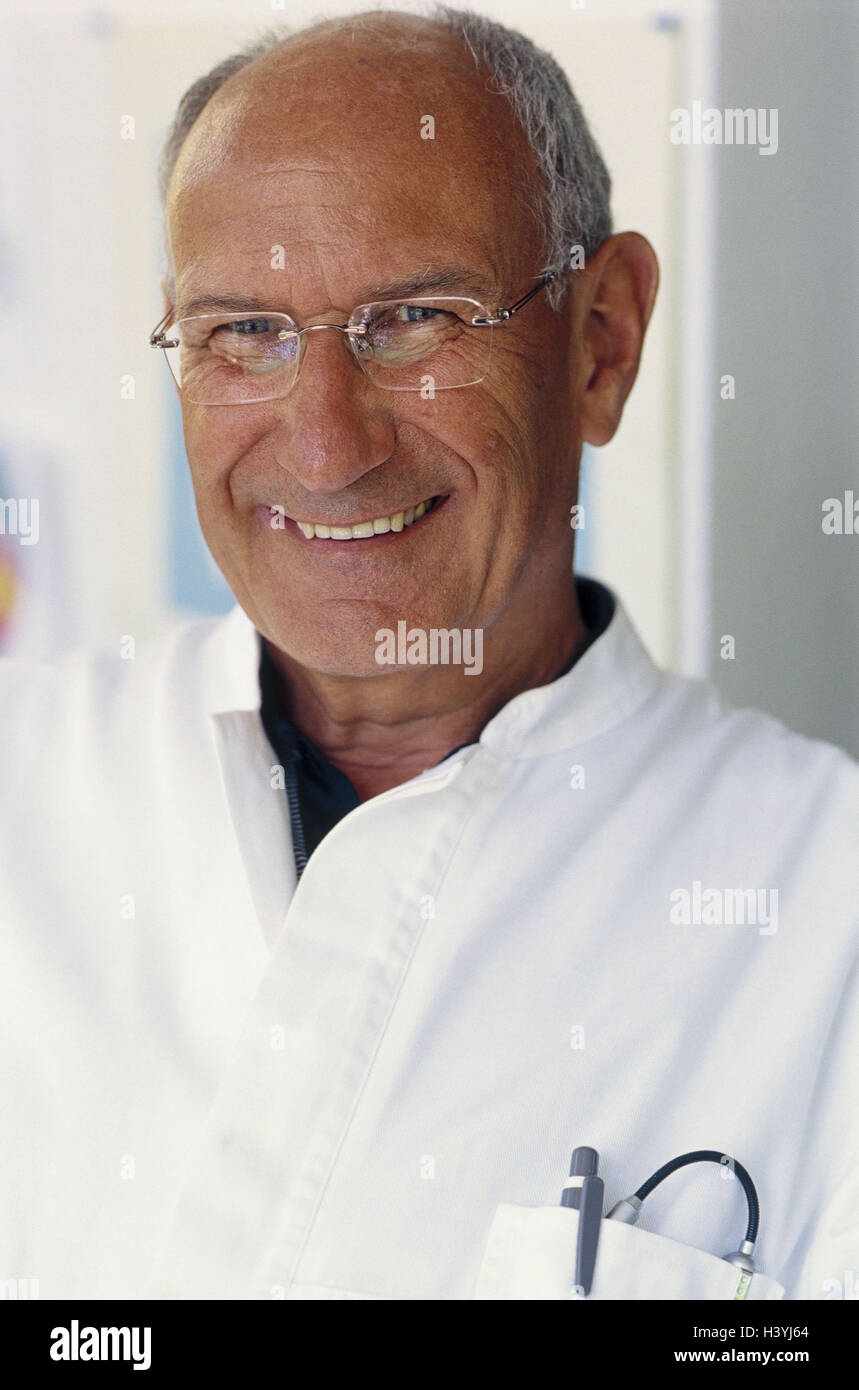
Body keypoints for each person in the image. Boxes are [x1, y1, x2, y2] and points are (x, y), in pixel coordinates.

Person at [0, 6, 856, 1302]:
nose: (328, 445)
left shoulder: (826, 907)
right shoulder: (26, 775)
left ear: (603, 340)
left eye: (416, 317)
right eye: (245, 333)